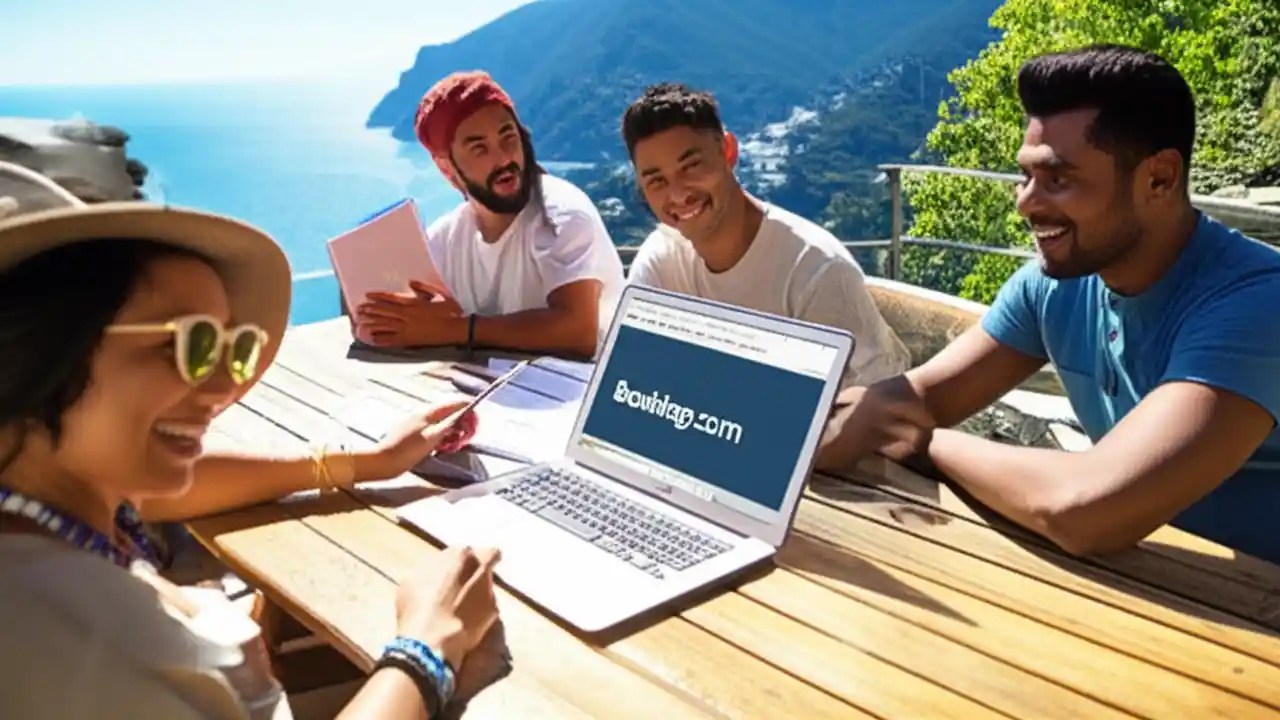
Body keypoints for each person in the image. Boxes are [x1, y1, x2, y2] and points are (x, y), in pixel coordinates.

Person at [0, 177, 501, 718]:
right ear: (39, 350)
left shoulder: (59, 508)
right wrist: (426, 651)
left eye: (233, 348)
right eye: (187, 343)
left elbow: (174, 492)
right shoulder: (62, 628)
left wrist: (366, 463)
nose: (222, 389)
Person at [817, 45, 1280, 564]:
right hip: (1153, 576)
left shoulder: (1256, 306)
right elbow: (918, 399)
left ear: (1160, 179)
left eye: (1058, 179)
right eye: (1025, 175)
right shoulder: (1055, 285)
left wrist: (923, 442)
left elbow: (1086, 511)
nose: (1026, 201)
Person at [621, 82, 911, 387]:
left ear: (727, 150)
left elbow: (876, 404)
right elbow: (635, 376)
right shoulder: (661, 259)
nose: (678, 194)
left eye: (691, 166)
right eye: (657, 181)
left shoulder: (815, 270)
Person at [356, 71, 625, 359]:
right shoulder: (444, 239)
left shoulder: (562, 212)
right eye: (479, 148)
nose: (504, 159)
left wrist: (454, 329)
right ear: (447, 169)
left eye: (508, 137)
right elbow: (401, 324)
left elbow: (577, 334)